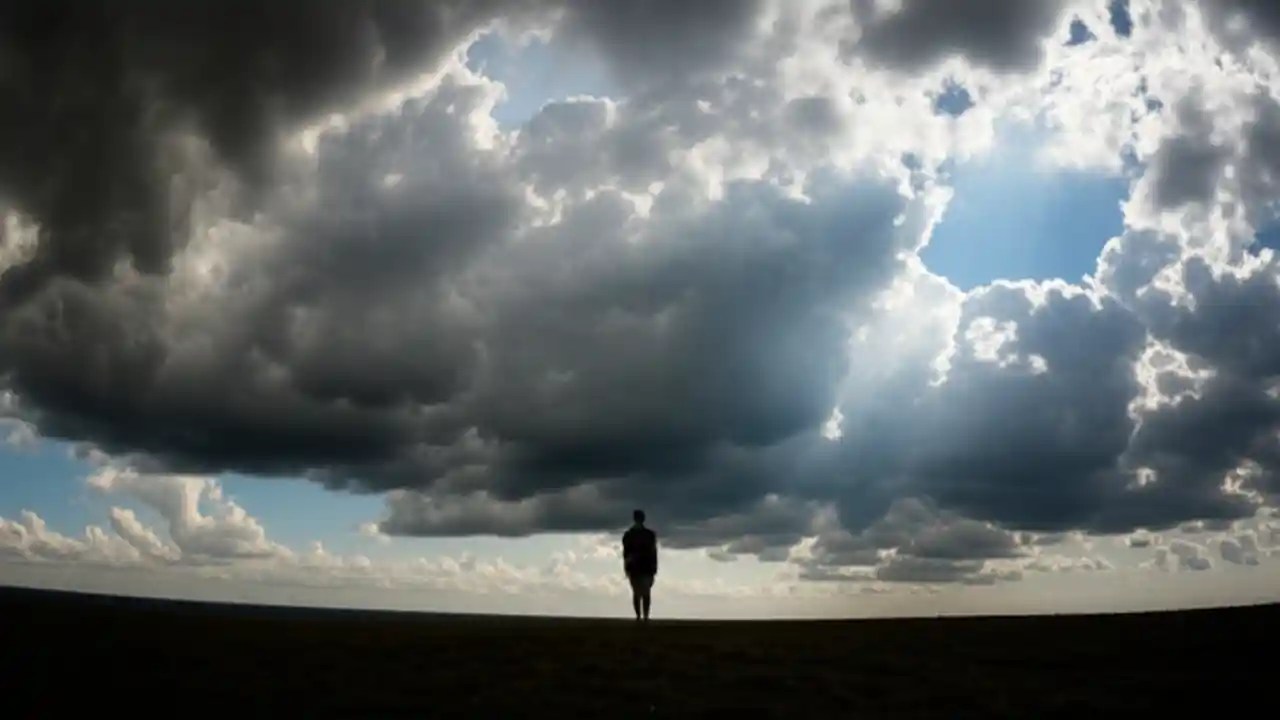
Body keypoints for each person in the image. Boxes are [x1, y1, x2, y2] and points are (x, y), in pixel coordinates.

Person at [622, 509, 658, 622]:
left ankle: (639, 616)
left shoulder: (629, 535)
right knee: (645, 593)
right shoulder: (649, 535)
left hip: (636, 567)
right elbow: (653, 552)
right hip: (644, 567)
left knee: (637, 593)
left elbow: (626, 553)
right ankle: (644, 616)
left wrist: (626, 566)